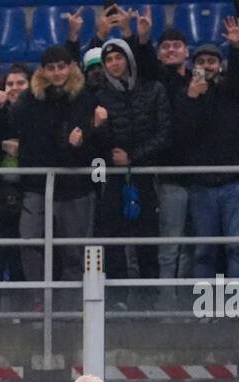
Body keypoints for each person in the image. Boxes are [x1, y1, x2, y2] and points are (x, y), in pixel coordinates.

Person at [6, 45, 98, 290]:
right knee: (29, 242)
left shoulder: (85, 96)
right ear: (43, 70)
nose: (57, 72)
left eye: (61, 66)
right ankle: (39, 298)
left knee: (74, 252)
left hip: (75, 185)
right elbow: (10, 123)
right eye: (51, 68)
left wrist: (83, 139)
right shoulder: (30, 98)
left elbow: (98, 142)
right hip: (37, 185)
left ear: (70, 66)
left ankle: (70, 304)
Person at [93, 38, 171, 301]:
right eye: (109, 60)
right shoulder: (100, 96)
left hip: (146, 174)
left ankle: (149, 299)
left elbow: (164, 133)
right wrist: (100, 127)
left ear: (129, 59)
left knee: (147, 239)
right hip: (113, 178)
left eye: (119, 57)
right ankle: (118, 299)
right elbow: (98, 145)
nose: (114, 64)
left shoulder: (153, 89)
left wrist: (133, 157)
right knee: (113, 240)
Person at [176, 22, 239, 279]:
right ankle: (204, 310)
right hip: (201, 185)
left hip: (235, 184)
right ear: (193, 66)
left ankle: (238, 308)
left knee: (238, 249)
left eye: (212, 61)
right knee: (203, 251)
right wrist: (191, 99)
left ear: (220, 66)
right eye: (201, 61)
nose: (207, 65)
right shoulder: (184, 95)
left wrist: (235, 47)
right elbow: (182, 134)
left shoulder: (230, 91)